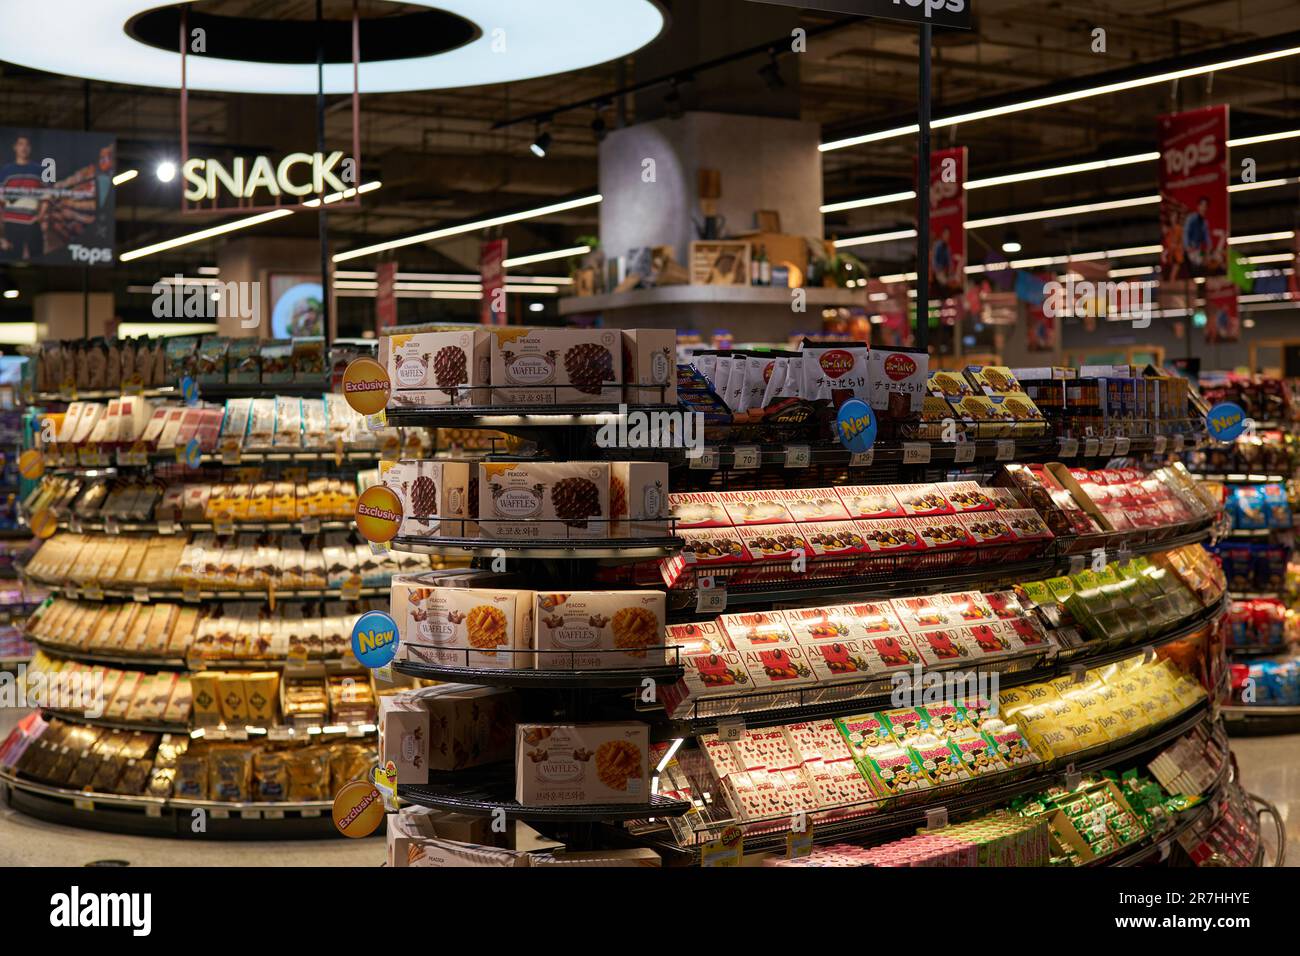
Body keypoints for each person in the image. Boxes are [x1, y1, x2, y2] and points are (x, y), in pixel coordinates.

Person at [0, 133, 44, 260]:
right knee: (12, 258)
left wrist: (40, 216)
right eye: (20, 144)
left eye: (27, 145)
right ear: (15, 147)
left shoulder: (39, 170)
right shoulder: (5, 171)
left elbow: (46, 195)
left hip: (32, 223)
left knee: (37, 257)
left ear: (30, 148)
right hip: (11, 223)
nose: (24, 148)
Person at [1182, 196, 1211, 273]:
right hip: (1189, 250)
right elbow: (1186, 232)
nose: (1203, 208)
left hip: (1197, 250)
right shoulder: (1191, 218)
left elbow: (1207, 237)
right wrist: (1187, 246)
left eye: (1205, 206)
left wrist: (1209, 248)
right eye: (1202, 205)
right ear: (1198, 206)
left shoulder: (1204, 223)